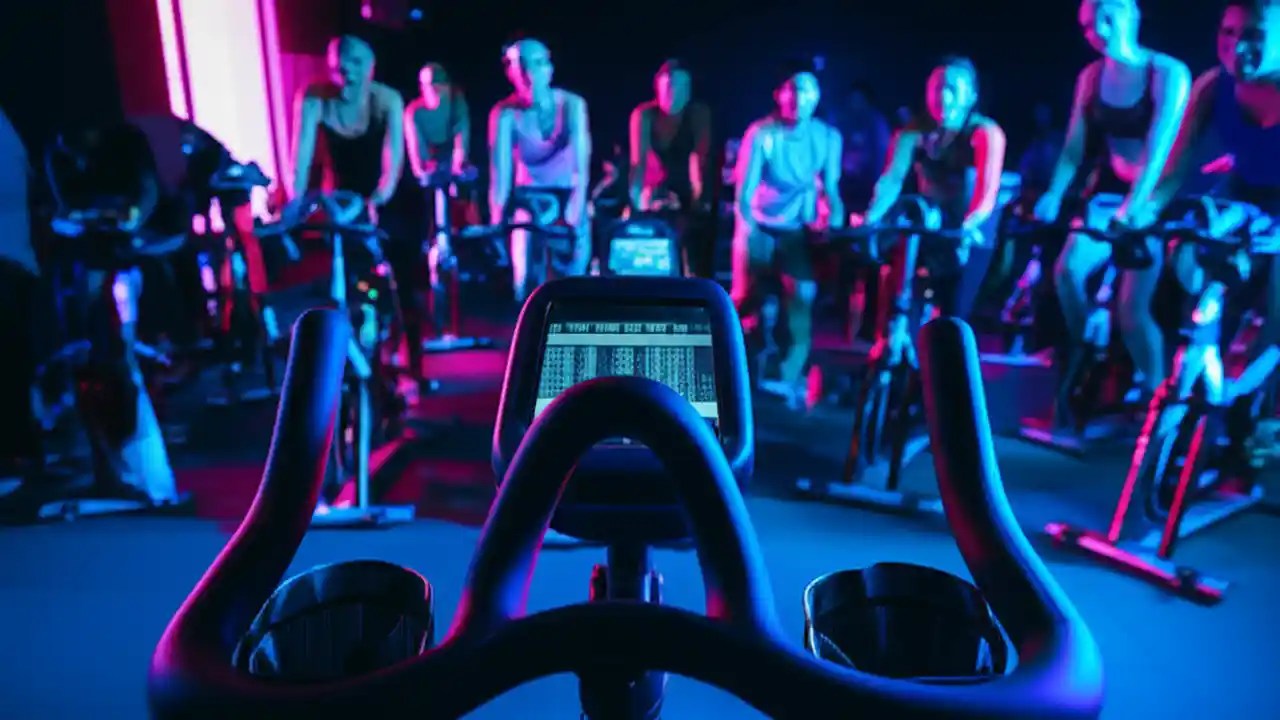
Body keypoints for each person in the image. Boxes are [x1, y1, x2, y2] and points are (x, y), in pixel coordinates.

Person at [1033, 0, 1191, 399]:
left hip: (1155, 197)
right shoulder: (1091, 76)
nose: (1099, 31)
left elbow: (1159, 150)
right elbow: (1074, 147)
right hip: (1110, 190)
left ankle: (1157, 396)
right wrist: (1054, 193)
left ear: (1131, 13)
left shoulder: (1166, 73)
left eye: (1107, 17)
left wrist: (1133, 208)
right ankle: (1087, 349)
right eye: (1088, 25)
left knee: (1132, 311)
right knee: (1067, 272)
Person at [1147, 0, 1280, 453]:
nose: (1237, 47)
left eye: (1254, 35)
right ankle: (1195, 388)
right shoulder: (1211, 86)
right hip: (1246, 192)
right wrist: (1141, 216)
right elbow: (1172, 172)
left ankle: (1256, 422)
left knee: (1277, 313)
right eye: (1228, 32)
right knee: (1185, 271)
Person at [857, 56, 1007, 356]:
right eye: (937, 88)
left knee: (953, 314)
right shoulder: (913, 131)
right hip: (929, 228)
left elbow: (986, 194)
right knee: (897, 295)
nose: (943, 97)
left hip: (971, 233)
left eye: (952, 89)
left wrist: (968, 227)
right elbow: (891, 180)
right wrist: (870, 218)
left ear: (971, 96)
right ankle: (891, 352)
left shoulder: (984, 133)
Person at [290, 35, 412, 364]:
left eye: (355, 66)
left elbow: (393, 161)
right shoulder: (315, 99)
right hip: (339, 201)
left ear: (370, 68)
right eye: (338, 69)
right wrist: (295, 203)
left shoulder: (387, 100)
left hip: (384, 198)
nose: (346, 75)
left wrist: (376, 200)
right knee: (338, 273)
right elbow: (300, 159)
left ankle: (407, 354)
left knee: (400, 273)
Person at [733, 60, 844, 407]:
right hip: (759, 225)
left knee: (802, 300)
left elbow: (831, 190)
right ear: (779, 95)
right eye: (792, 89)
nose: (799, 97)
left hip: (796, 231)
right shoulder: (762, 133)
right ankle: (732, 372)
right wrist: (749, 234)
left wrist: (833, 221)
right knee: (745, 301)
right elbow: (743, 194)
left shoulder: (828, 138)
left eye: (806, 89)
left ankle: (787, 378)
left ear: (817, 95)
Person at [488, 38, 592, 301]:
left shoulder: (572, 105)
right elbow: (500, 177)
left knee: (574, 268)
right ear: (511, 73)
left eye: (536, 64)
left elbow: (581, 165)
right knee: (524, 263)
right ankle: (525, 304)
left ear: (549, 69)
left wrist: (575, 209)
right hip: (529, 196)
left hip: (567, 193)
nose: (529, 74)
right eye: (520, 66)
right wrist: (497, 224)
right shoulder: (505, 114)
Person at [178, 121, 279, 344]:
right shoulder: (201, 160)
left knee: (246, 261)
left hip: (236, 220)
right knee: (231, 267)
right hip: (228, 226)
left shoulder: (217, 157)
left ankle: (260, 325)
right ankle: (230, 328)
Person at [627, 59, 715, 276]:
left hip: (688, 190)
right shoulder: (644, 115)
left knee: (694, 237)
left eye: (680, 87)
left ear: (689, 90)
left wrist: (696, 202)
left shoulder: (699, 113)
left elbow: (699, 159)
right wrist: (637, 203)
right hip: (655, 189)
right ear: (657, 87)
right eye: (668, 86)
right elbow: (638, 162)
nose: (673, 93)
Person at [405, 62, 470, 181]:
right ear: (422, 88)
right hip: (430, 158)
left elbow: (461, 134)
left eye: (440, 84)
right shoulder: (413, 112)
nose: (435, 89)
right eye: (430, 86)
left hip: (451, 151)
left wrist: (458, 163)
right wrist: (424, 169)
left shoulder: (457, 100)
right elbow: (416, 153)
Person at [834, 81, 891, 210]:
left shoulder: (877, 122)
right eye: (853, 99)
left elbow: (881, 154)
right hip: (844, 183)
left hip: (869, 184)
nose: (856, 104)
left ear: (867, 101)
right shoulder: (842, 120)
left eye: (860, 99)